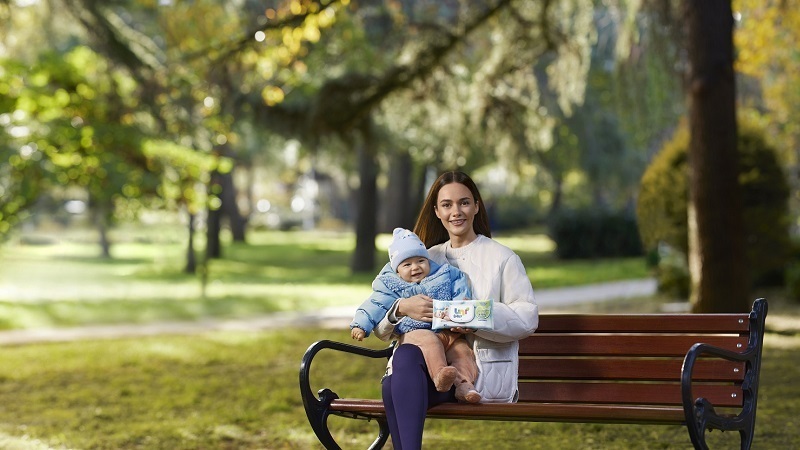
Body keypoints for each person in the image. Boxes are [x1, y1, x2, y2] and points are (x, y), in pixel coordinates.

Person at [374, 171, 539, 450]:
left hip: (477, 376)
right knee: (404, 360)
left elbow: (527, 317)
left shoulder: (503, 258)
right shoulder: (423, 258)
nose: (456, 212)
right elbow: (380, 328)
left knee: (393, 386)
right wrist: (400, 308)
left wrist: (474, 318)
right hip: (431, 372)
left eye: (464, 202)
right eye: (447, 205)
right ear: (437, 211)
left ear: (476, 206)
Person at [350, 227, 481, 403]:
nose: (416, 267)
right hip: (418, 333)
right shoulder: (391, 286)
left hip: (449, 332)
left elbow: (459, 288)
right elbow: (374, 305)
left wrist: (461, 305)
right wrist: (360, 325)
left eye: (420, 260)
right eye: (407, 264)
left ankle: (465, 386)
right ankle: (440, 375)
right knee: (431, 342)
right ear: (397, 270)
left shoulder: (443, 275)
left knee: (463, 352)